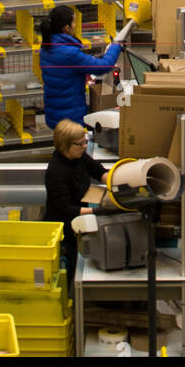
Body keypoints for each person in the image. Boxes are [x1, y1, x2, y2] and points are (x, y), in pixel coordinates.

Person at [36, 3, 132, 129]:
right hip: (70, 118)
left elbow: (70, 65)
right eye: (74, 22)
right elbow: (103, 67)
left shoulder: (47, 46)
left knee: (62, 144)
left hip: (55, 112)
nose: (76, 25)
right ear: (66, 28)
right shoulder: (69, 53)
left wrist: (95, 58)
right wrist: (115, 46)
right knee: (73, 145)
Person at [44, 119, 106, 282]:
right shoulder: (56, 171)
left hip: (79, 222)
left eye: (85, 142)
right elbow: (65, 209)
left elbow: (99, 171)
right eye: (80, 144)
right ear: (65, 146)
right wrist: (97, 211)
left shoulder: (78, 157)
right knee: (70, 272)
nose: (85, 146)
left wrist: (119, 182)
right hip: (64, 231)